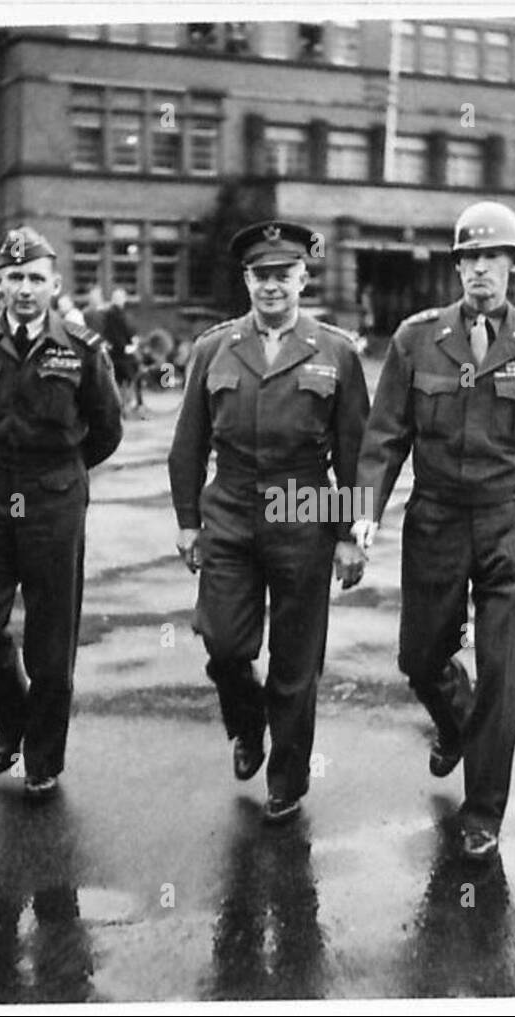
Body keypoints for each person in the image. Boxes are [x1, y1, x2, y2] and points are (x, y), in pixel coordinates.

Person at [350, 200, 515, 863]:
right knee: (420, 656)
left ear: (513, 266)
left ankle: (483, 812)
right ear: (457, 267)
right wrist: (364, 512)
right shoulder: (416, 340)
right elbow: (385, 434)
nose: (480, 270)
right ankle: (454, 720)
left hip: (510, 522)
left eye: (492, 258)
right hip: (438, 520)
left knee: (504, 676)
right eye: (469, 258)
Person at [168, 220, 370, 825]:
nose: (273, 287)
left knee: (295, 661)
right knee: (225, 643)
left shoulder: (336, 351)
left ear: (303, 278)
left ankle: (286, 779)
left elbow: (355, 452)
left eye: (284, 275)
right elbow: (188, 443)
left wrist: (349, 534)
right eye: (262, 275)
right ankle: (247, 726)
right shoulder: (214, 348)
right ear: (247, 279)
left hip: (304, 504)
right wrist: (186, 521)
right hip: (229, 506)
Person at [0, 226, 124, 798]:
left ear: (55, 285)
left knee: (51, 640)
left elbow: (106, 430)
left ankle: (43, 757)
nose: (25, 288)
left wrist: (59, 475)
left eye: (36, 279)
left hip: (51, 500)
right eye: (15, 277)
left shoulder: (82, 347)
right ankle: (13, 718)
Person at [100, 288, 147, 419]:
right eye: (118, 297)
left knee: (122, 381)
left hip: (120, 353)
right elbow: (116, 334)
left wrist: (132, 339)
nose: (121, 300)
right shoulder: (113, 314)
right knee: (131, 378)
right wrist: (127, 346)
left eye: (122, 297)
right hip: (121, 355)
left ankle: (128, 407)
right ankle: (132, 406)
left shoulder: (117, 313)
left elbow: (125, 331)